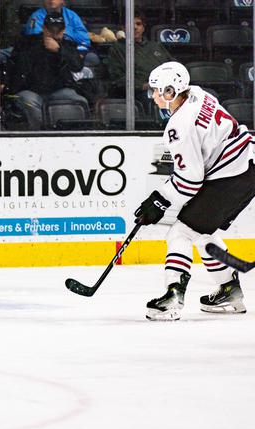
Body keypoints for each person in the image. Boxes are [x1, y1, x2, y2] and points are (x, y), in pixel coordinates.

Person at [135, 61, 255, 321]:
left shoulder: (179, 127)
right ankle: (229, 289)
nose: (153, 96)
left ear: (171, 91)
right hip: (245, 164)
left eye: (157, 91)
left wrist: (159, 201)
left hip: (232, 175)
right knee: (199, 228)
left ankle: (173, 296)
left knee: (180, 231)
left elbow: (190, 181)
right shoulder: (199, 93)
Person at [7, 12, 88, 130]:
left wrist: (60, 51)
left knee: (79, 101)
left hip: (59, 90)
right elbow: (13, 64)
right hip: (31, 91)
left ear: (64, 30)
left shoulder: (68, 45)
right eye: (51, 30)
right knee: (28, 102)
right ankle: (41, 134)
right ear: (44, 28)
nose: (55, 34)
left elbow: (77, 66)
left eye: (58, 31)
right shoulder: (28, 43)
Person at [106, 10, 172, 103]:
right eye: (130, 24)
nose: (135, 27)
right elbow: (118, 78)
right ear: (123, 28)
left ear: (143, 28)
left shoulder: (155, 46)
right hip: (138, 92)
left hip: (164, 88)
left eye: (138, 24)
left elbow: (172, 65)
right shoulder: (117, 49)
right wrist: (144, 86)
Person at [23, 0, 91, 56]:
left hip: (71, 52)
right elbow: (34, 39)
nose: (51, 0)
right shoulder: (35, 17)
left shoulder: (72, 15)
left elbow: (83, 38)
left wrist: (80, 53)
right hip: (45, 54)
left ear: (63, 1)